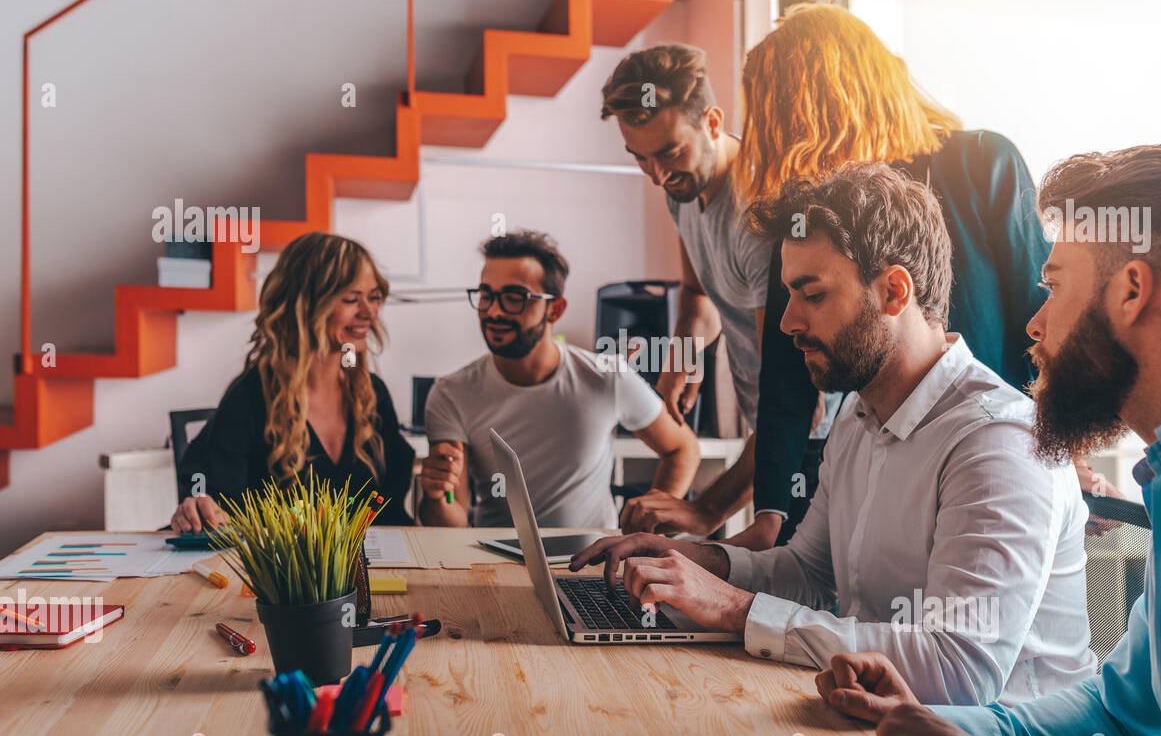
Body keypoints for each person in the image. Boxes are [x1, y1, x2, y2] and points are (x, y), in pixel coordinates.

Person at [818, 145, 1161, 736]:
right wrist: (939, 727)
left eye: (1054, 285)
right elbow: (1123, 722)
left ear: (1131, 291)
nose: (1035, 323)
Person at [571, 163, 1095, 705]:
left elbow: (958, 669)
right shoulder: (857, 415)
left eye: (812, 295)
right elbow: (811, 573)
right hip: (879, 723)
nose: (787, 323)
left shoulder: (997, 442)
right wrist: (698, 561)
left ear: (894, 291)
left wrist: (731, 607)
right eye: (788, 296)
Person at [737, 3, 1119, 550]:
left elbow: (1045, 319)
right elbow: (784, 374)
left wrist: (1066, 453)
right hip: (890, 454)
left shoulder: (983, 162)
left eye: (779, 113)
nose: (775, 136)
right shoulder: (814, 212)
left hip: (996, 459)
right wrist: (769, 511)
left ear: (823, 100)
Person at [599, 43, 796, 539]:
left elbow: (789, 397)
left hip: (805, 445)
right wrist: (685, 355)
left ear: (712, 121)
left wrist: (706, 511)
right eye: (640, 158)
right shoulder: (682, 191)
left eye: (669, 153)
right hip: (771, 434)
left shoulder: (760, 217)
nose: (658, 176)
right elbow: (696, 294)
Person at [418, 230, 699, 529]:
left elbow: (683, 449)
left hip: (595, 561)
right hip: (494, 560)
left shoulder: (607, 377)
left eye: (515, 298)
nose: (495, 311)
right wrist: (436, 496)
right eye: (487, 296)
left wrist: (647, 529)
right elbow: (453, 523)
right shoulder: (451, 393)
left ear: (555, 309)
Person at [171, 232, 415, 530]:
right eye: (351, 298)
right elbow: (209, 494)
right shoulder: (250, 396)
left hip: (373, 571)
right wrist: (197, 506)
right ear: (304, 304)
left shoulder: (373, 393)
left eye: (374, 297)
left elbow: (391, 507)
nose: (369, 313)